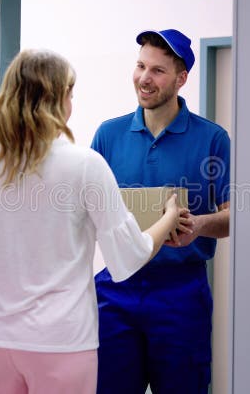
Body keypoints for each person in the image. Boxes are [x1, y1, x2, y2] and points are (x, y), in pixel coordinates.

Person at [0, 49, 191, 394]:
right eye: (70, 94)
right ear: (56, 99)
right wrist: (170, 217)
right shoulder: (84, 164)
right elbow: (128, 255)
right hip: (61, 343)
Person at [91, 29, 231, 393]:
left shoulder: (212, 139)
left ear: (181, 79)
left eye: (157, 71)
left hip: (180, 293)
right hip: (115, 289)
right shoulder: (108, 135)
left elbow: (235, 215)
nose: (144, 78)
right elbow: (85, 213)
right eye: (140, 66)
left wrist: (199, 224)